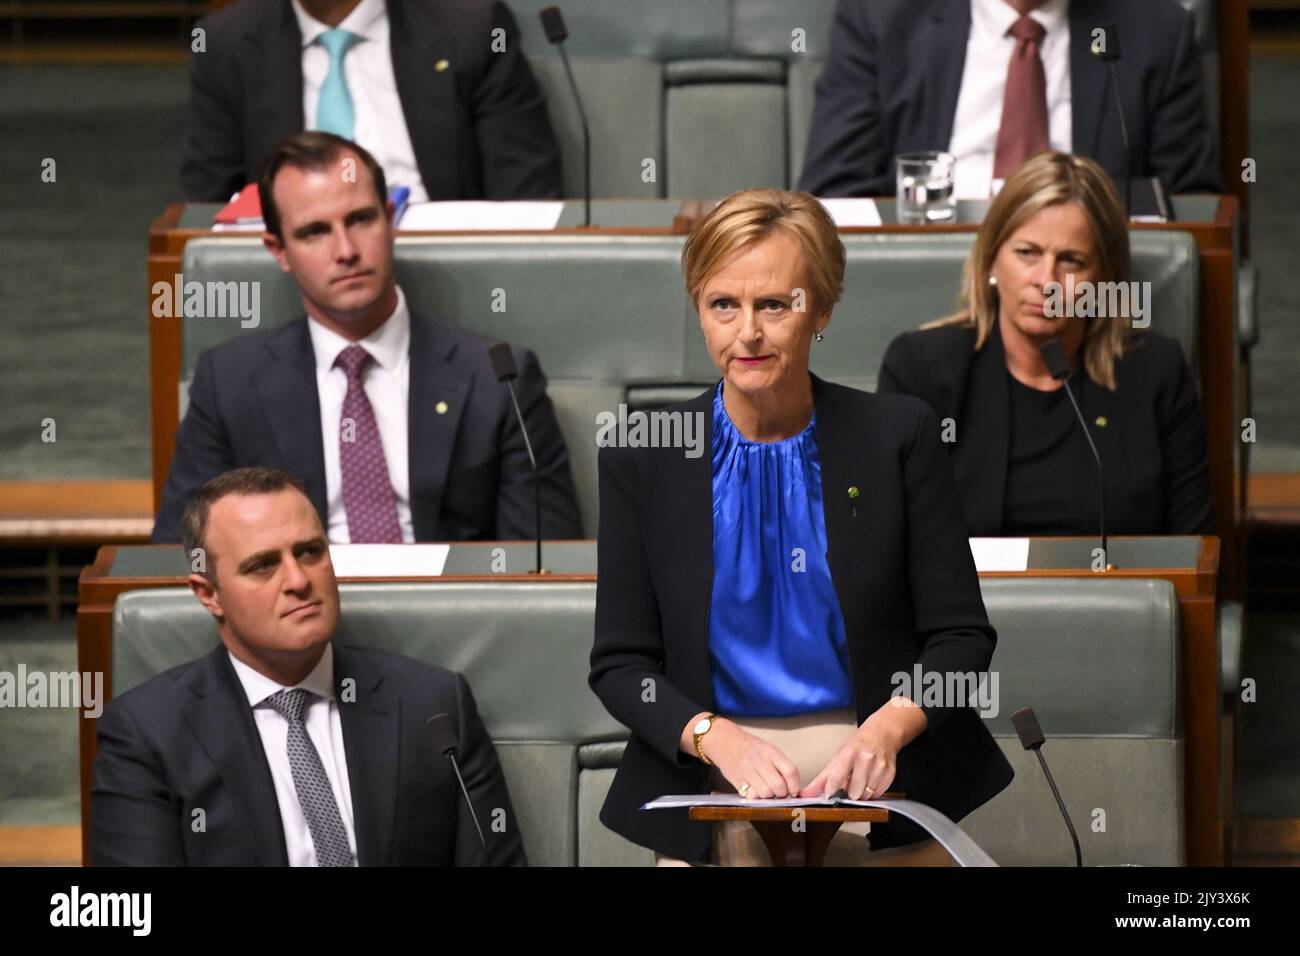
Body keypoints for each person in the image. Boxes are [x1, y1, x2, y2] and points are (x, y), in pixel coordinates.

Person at [589, 189, 1013, 866]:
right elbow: (620, 666)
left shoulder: (897, 436)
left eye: (774, 306)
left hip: (878, 749)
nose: (747, 333)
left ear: (820, 309)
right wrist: (713, 738)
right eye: (723, 304)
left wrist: (889, 729)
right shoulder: (645, 453)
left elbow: (962, 639)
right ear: (698, 307)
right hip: (714, 760)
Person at [153, 131, 582, 544]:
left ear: (390, 220)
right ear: (278, 250)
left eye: (360, 220)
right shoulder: (229, 383)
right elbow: (182, 554)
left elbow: (543, 561)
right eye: (314, 232)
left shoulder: (499, 376)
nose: (346, 250)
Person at [94, 467, 525, 866]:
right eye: (263, 565)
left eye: (310, 552)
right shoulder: (147, 735)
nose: (299, 581)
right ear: (209, 594)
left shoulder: (432, 705)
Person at [877, 151, 1213, 537]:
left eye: (1071, 260)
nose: (1046, 280)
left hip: (1112, 595)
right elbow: (885, 545)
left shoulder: (1156, 372)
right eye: (1027, 253)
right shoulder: (920, 371)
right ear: (990, 259)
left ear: (1105, 276)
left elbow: (1194, 554)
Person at [799, 0, 1222, 199]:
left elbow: (1193, 207)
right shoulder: (882, 18)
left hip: (1081, 297)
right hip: (930, 276)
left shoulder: (1157, 31)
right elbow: (836, 192)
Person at [181, 0, 562, 203]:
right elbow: (208, 207)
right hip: (294, 290)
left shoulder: (474, 27)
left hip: (448, 278)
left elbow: (525, 195)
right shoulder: (225, 44)